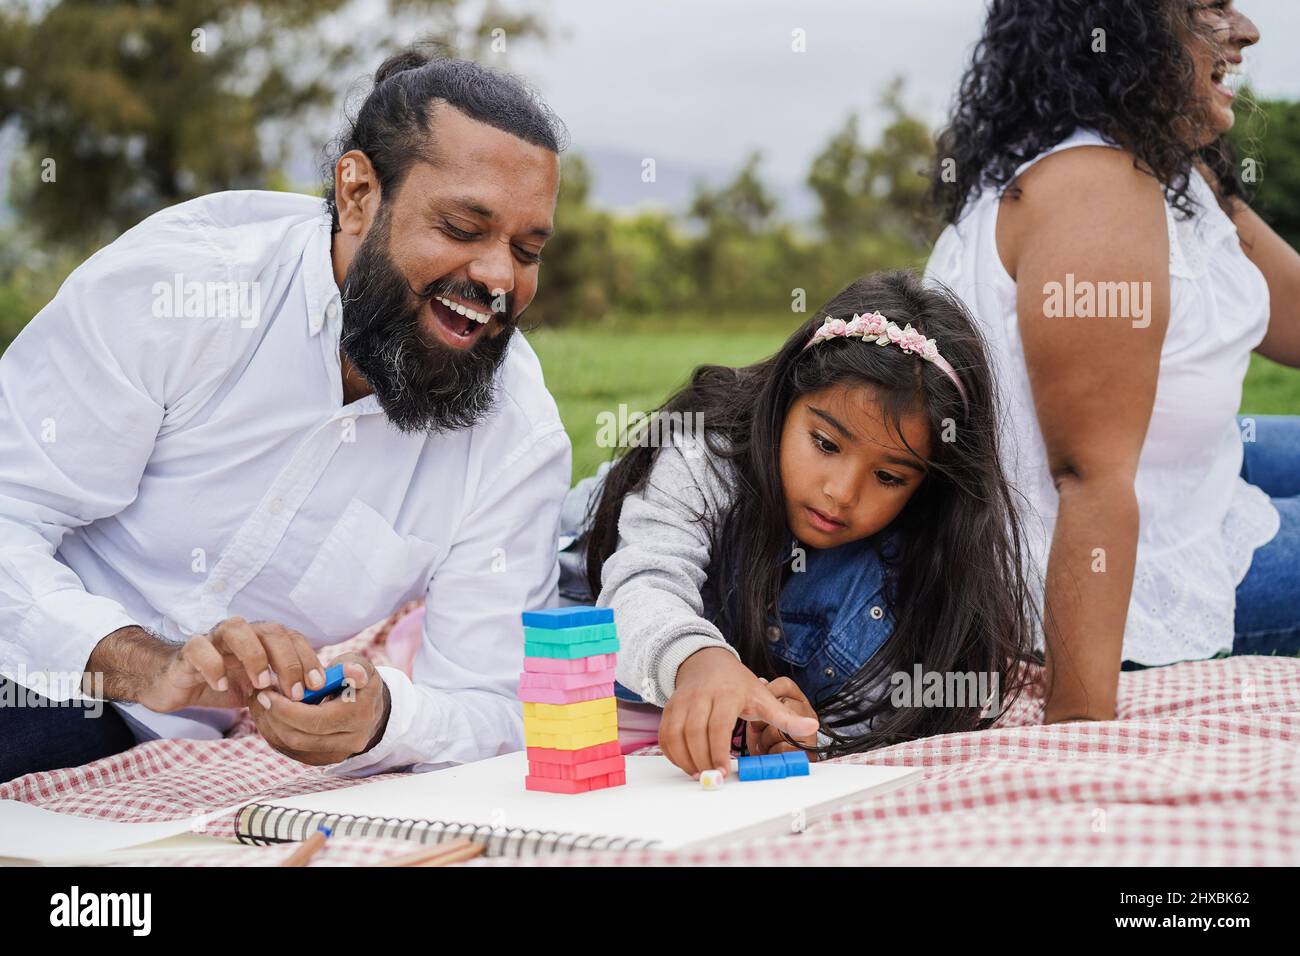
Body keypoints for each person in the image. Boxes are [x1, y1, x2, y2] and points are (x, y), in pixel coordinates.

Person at [0, 51, 572, 783]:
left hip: (188, 756)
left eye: (528, 250)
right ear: (358, 193)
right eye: (464, 227)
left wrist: (383, 721)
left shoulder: (516, 435)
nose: (499, 277)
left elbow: (492, 699)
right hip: (40, 669)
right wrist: (141, 663)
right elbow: (11, 512)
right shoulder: (183, 289)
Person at [926, 0, 1300, 725]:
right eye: (1208, 9)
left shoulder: (1170, 172)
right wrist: (1080, 744)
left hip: (1195, 480)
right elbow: (1088, 482)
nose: (1245, 31)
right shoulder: (1095, 192)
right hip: (1115, 579)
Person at [563, 271, 1038, 778]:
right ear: (784, 401)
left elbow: (890, 712)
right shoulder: (705, 454)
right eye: (826, 444)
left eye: (888, 476)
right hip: (579, 601)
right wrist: (698, 662)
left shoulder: (915, 573)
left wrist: (812, 734)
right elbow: (641, 583)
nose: (842, 492)